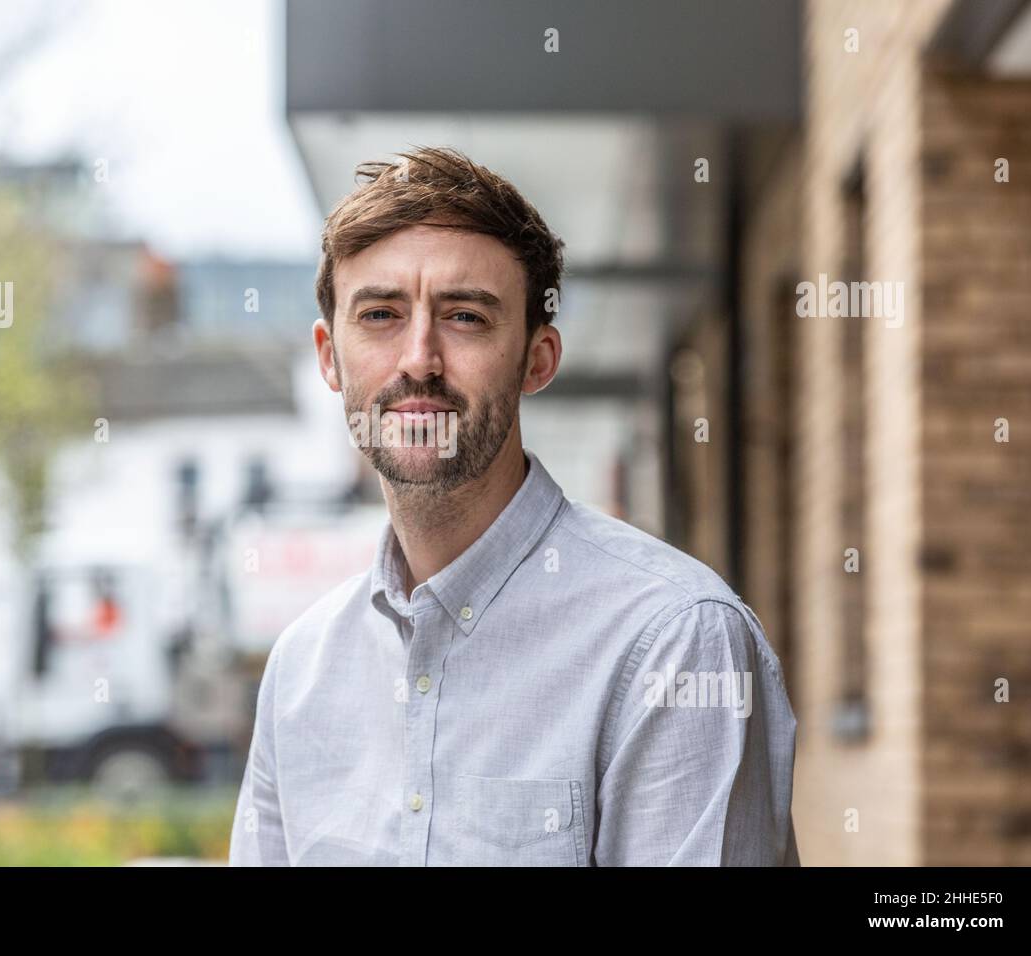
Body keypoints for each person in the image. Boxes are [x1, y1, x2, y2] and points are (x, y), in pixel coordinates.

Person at [228, 146, 800, 866]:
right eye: (379, 314)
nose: (418, 360)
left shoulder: (675, 644)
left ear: (538, 358)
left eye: (465, 316)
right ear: (329, 357)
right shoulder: (301, 671)